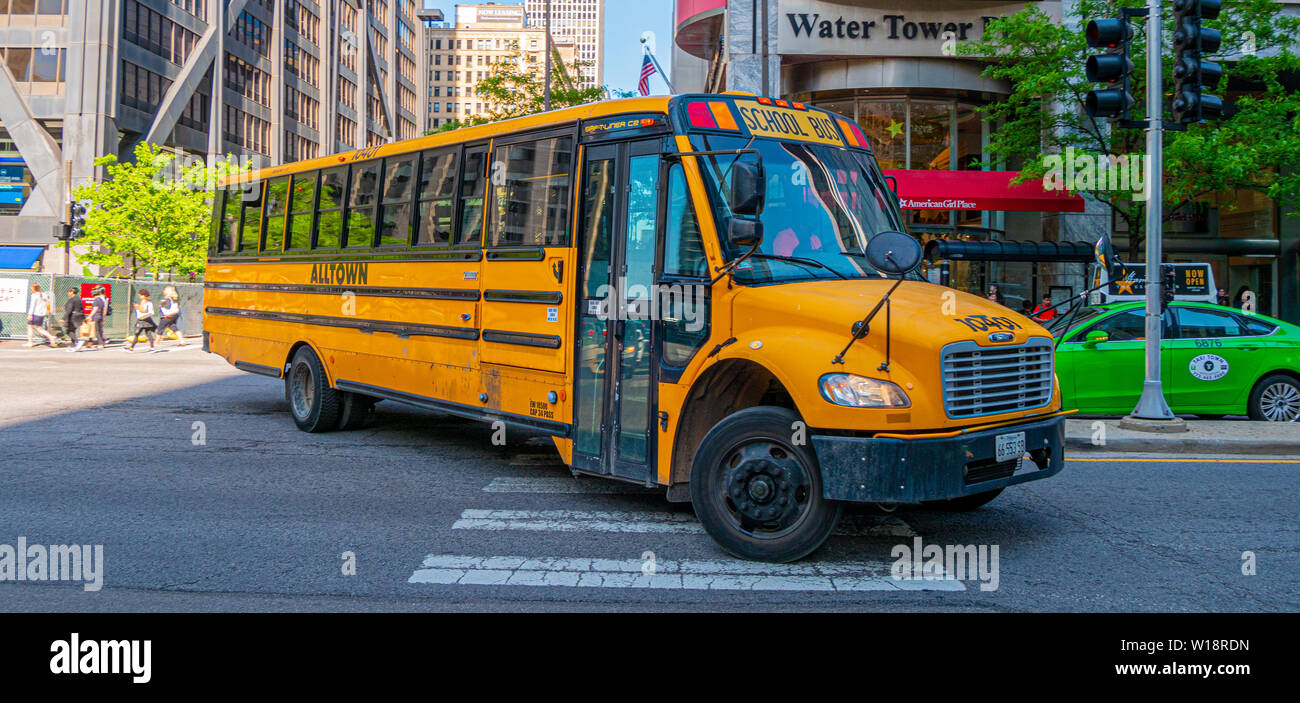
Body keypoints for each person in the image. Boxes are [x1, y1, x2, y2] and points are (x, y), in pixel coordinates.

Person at [24, 283, 57, 347]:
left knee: (30, 327)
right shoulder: (44, 295)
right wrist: (47, 311)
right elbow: (48, 303)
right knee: (39, 328)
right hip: (41, 314)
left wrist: (30, 314)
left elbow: (32, 305)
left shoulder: (34, 295)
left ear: (33, 288)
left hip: (35, 313)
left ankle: (30, 342)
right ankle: (51, 337)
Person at [87, 285, 109, 350]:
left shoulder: (96, 300)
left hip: (96, 317)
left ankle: (100, 344)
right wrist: (103, 318)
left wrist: (90, 316)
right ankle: (102, 342)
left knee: (97, 331)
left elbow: (95, 309)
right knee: (99, 330)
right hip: (100, 317)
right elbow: (104, 309)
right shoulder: (102, 300)